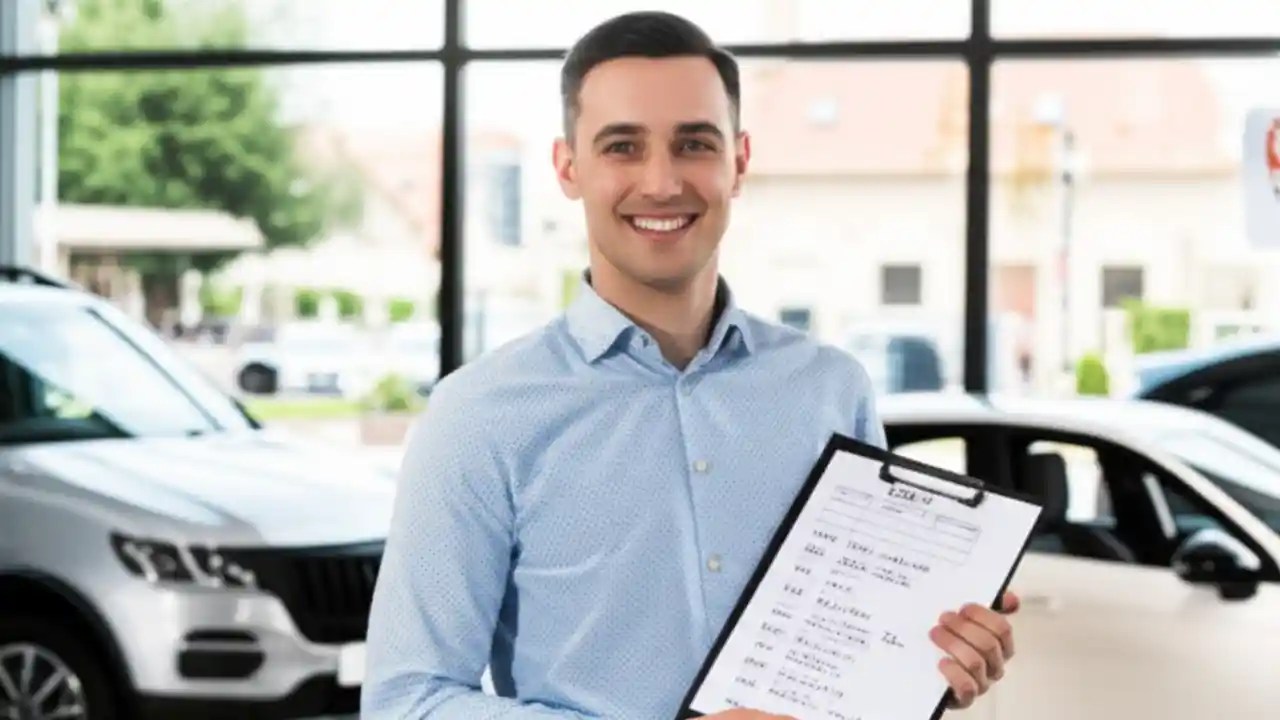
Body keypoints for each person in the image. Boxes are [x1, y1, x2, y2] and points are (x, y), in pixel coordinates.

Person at [362, 11, 1020, 720]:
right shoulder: (480, 416)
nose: (661, 181)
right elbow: (406, 702)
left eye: (693, 144)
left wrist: (926, 670)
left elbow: (855, 661)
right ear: (567, 168)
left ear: (738, 162)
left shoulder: (831, 391)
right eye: (622, 146)